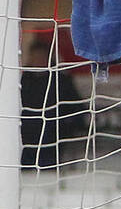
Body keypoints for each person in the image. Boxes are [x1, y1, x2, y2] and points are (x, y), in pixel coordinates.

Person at [20, 37, 89, 169]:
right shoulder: (21, 81)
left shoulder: (61, 81)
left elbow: (77, 109)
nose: (38, 61)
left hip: (52, 139)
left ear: (48, 58)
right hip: (26, 139)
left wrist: (64, 126)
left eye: (42, 57)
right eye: (35, 57)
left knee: (48, 174)